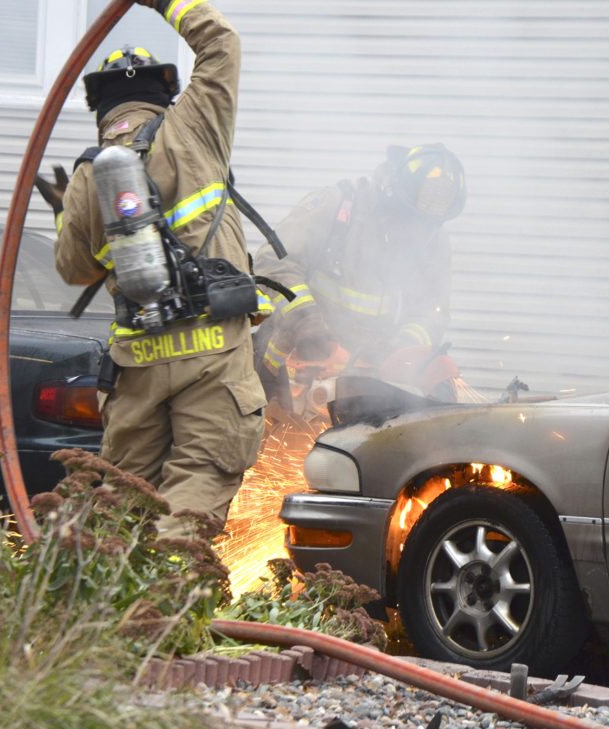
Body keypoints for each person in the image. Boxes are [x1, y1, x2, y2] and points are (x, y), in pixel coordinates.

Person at [37, 0, 265, 539]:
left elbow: (74, 271)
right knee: (197, 487)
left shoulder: (90, 173)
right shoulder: (194, 125)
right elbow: (221, 43)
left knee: (124, 499)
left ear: (102, 111)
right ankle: (165, 611)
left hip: (136, 361)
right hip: (212, 352)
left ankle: (100, 612)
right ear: (164, 94)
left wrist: (68, 213)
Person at [252, 143, 467, 407]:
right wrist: (306, 323)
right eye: (410, 220)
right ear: (392, 196)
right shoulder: (337, 207)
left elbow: (432, 312)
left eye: (427, 225)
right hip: (290, 368)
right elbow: (273, 263)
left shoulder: (432, 240)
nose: (416, 232)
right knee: (275, 441)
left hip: (361, 382)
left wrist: (400, 348)